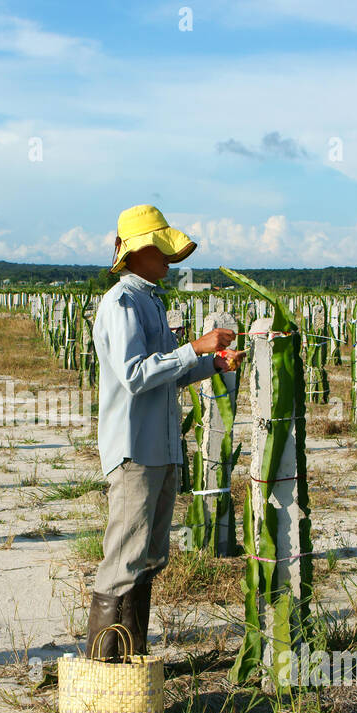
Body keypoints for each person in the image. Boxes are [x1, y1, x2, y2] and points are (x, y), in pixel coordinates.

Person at [87, 204, 244, 661]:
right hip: (134, 449)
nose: (170, 262)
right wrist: (193, 346)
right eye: (163, 252)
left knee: (148, 559)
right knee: (123, 562)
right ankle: (103, 670)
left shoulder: (150, 299)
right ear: (138, 252)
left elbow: (165, 376)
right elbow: (135, 375)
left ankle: (131, 664)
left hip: (161, 448)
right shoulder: (121, 303)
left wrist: (210, 363)